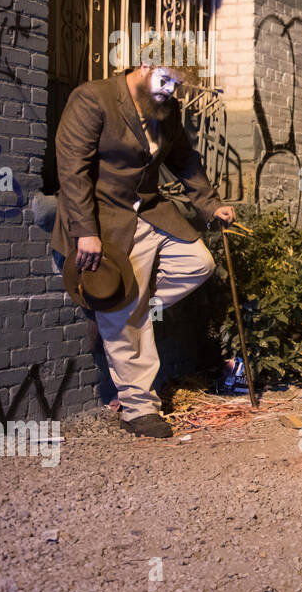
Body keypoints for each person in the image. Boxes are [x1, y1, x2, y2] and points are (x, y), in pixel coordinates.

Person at [52, 61, 233, 438]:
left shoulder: (165, 109)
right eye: (166, 80)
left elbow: (183, 159)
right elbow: (73, 170)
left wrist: (210, 204)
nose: (170, 91)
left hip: (150, 214)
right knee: (123, 308)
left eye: (177, 85)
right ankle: (138, 409)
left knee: (198, 264)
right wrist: (85, 231)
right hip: (104, 223)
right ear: (146, 64)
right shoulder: (93, 98)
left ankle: (125, 314)